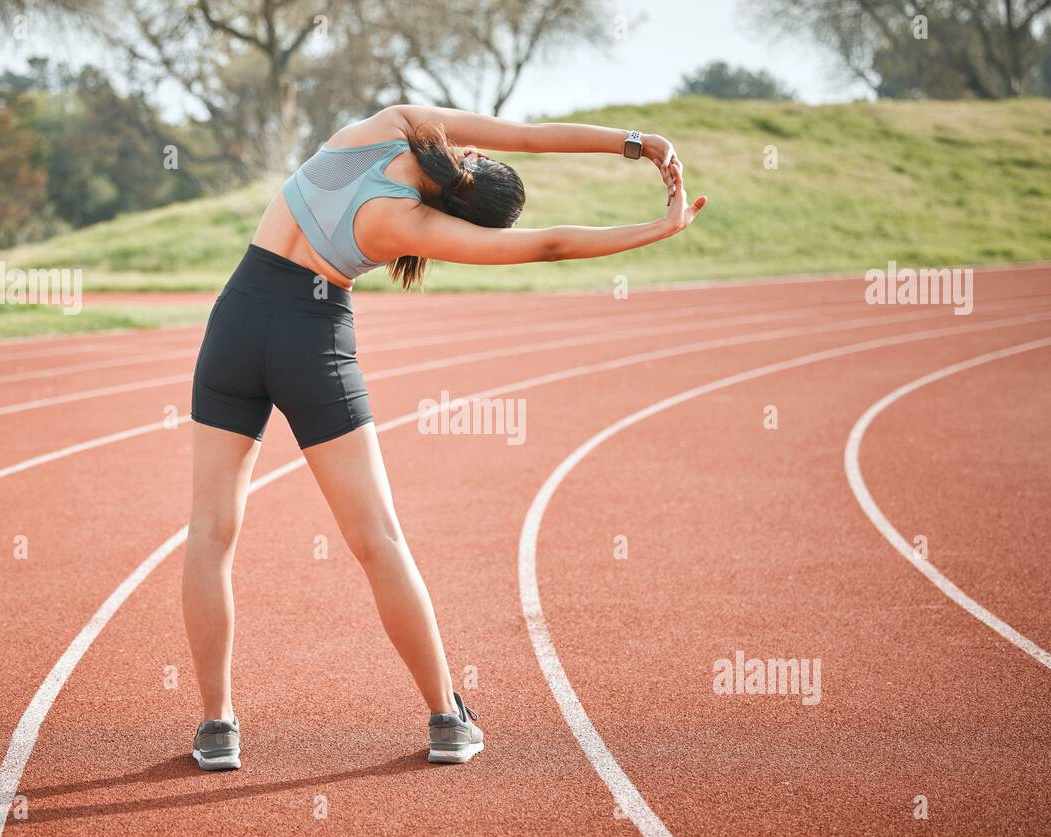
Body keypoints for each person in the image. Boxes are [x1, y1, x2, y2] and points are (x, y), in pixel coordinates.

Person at [184, 104, 707, 770]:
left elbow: (529, 136)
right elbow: (549, 245)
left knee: (210, 531)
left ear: (475, 159)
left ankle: (217, 727)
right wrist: (659, 229)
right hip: (311, 345)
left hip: (234, 322)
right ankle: (446, 719)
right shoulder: (415, 225)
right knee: (378, 540)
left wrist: (636, 143)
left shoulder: (395, 125)